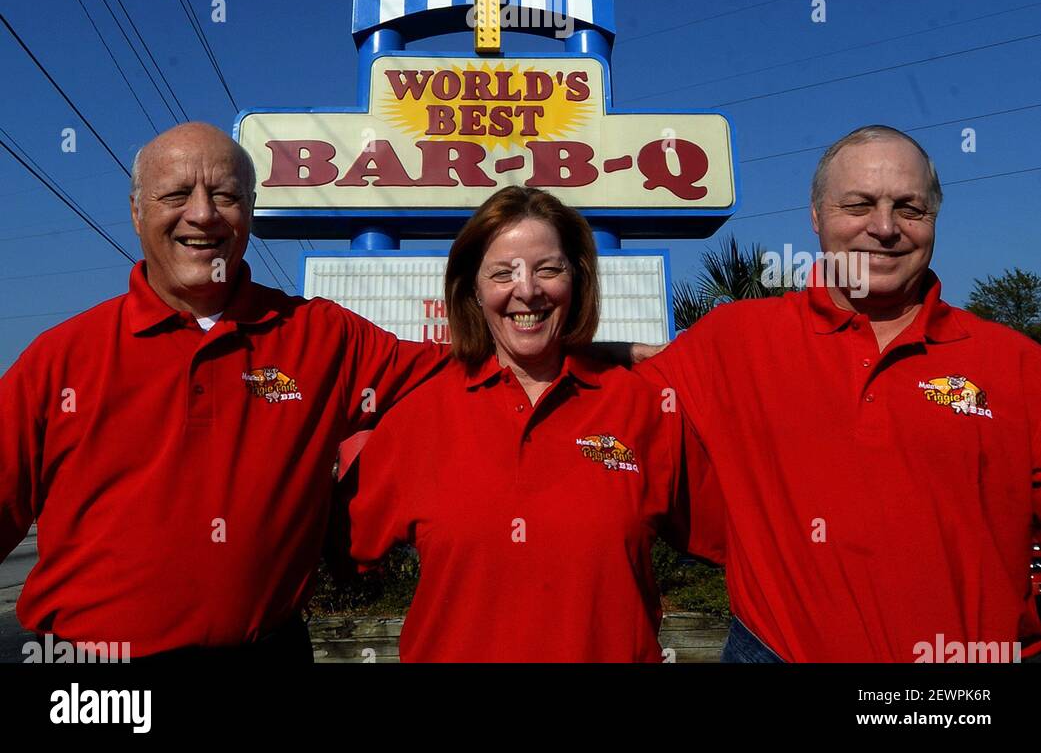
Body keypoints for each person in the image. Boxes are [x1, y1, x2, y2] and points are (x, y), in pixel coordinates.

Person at [0, 122, 446, 661]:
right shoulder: (58, 359)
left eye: (225, 195)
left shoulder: (323, 337)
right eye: (175, 194)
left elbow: (467, 373)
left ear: (250, 210)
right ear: (137, 212)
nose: (203, 214)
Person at [638, 124, 1041, 663]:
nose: (885, 227)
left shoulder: (1017, 363)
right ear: (816, 216)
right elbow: (598, 419)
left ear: (934, 218)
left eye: (910, 208)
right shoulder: (733, 339)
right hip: (776, 651)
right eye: (858, 205)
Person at [340, 185, 709, 663]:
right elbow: (335, 549)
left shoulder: (646, 408)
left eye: (548, 269)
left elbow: (746, 542)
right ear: (473, 289)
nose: (528, 289)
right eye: (502, 273)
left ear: (577, 279)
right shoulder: (417, 417)